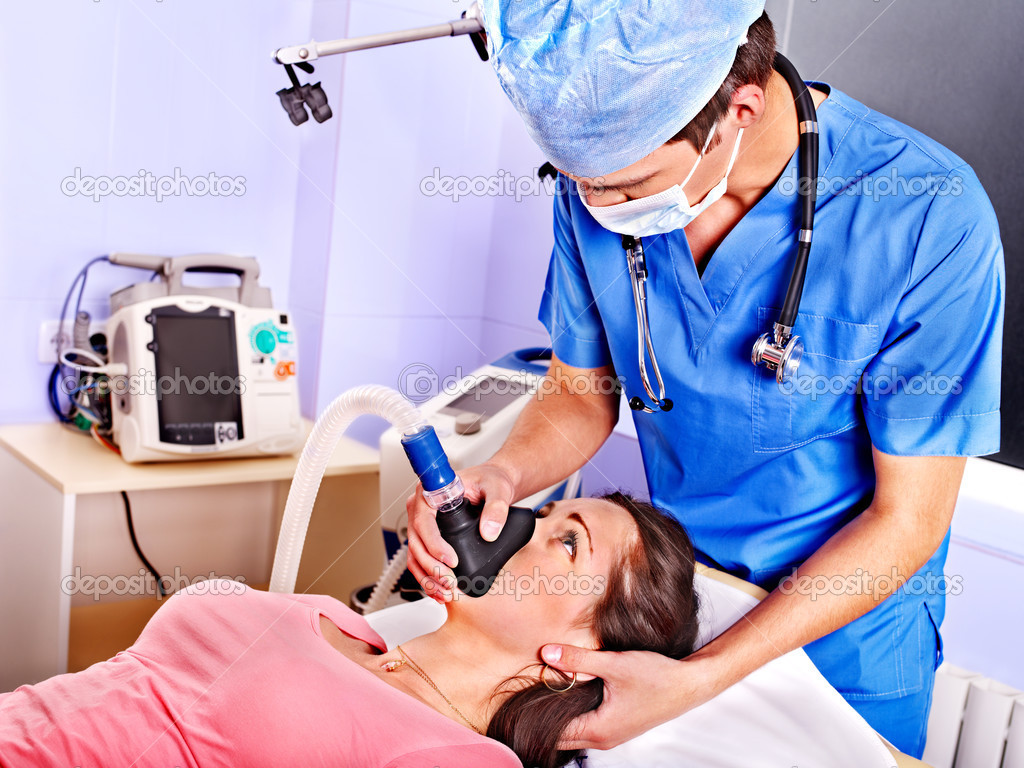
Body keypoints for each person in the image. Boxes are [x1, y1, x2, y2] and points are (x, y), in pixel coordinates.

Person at [405, 1, 1004, 760]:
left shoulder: (926, 215)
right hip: (670, 616)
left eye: (626, 187)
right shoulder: (597, 184)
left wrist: (703, 679)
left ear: (738, 110)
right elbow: (580, 394)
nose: (598, 209)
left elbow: (907, 523)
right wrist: (503, 471)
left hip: (844, 652)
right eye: (578, 183)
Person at [0, 493, 698, 768]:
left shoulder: (461, 760)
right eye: (543, 514)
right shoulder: (343, 622)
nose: (515, 525)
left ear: (586, 660)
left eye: (569, 543)